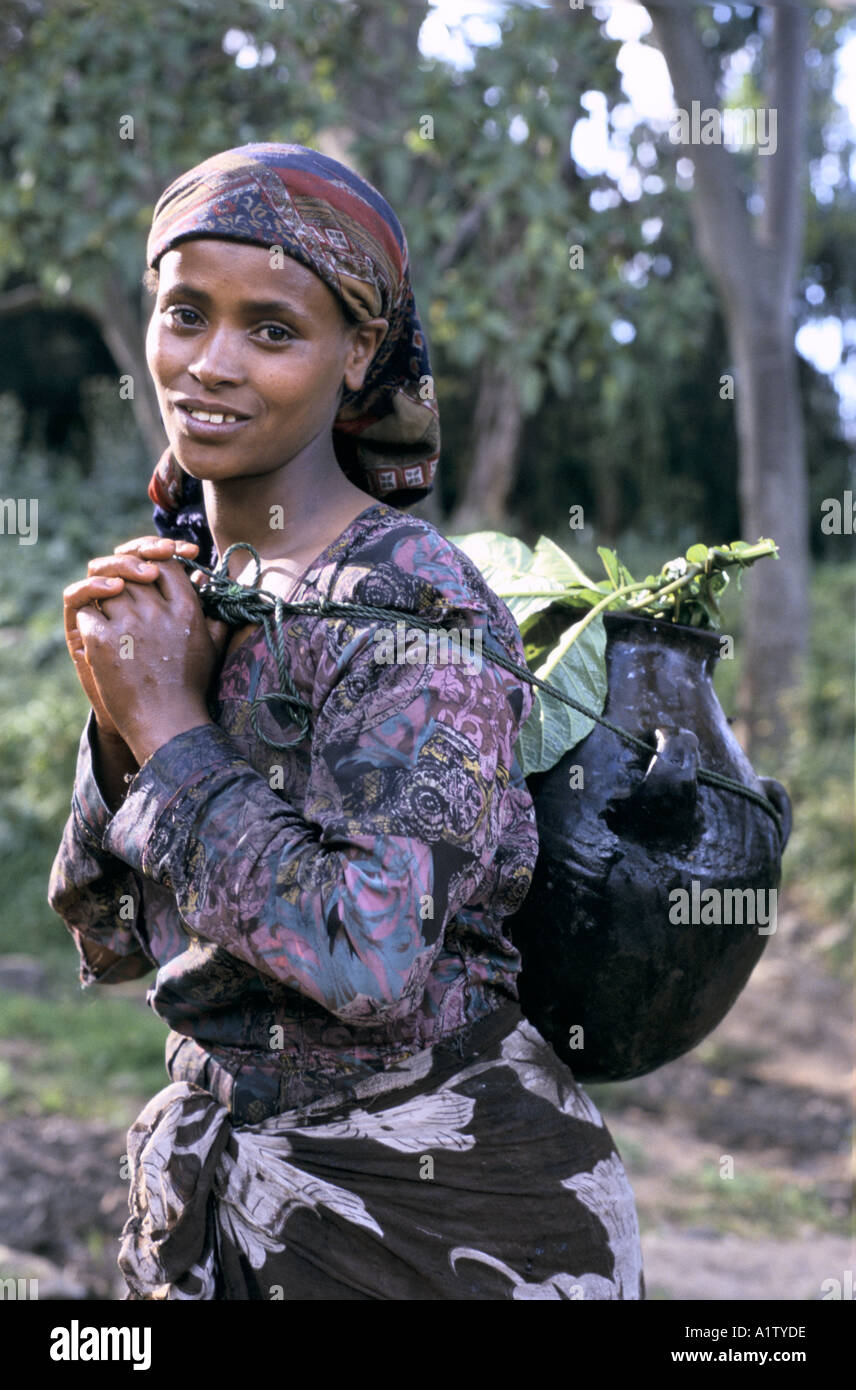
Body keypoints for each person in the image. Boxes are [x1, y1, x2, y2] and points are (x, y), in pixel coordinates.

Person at [48, 143, 644, 1301]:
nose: (209, 365)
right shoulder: (189, 583)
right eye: (184, 315)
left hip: (438, 1218)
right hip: (221, 1198)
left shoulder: (415, 605)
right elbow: (116, 941)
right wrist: (123, 718)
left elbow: (367, 955)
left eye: (272, 330)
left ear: (356, 351)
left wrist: (169, 726)